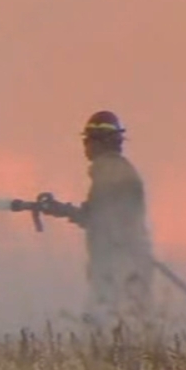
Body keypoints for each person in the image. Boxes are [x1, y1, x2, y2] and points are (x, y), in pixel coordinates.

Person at [67, 111, 156, 328]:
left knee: (107, 323)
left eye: (88, 140)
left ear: (100, 142)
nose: (85, 146)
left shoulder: (111, 171)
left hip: (118, 268)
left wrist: (76, 213)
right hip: (125, 265)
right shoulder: (117, 170)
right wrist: (70, 211)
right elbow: (102, 213)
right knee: (122, 322)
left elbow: (105, 218)